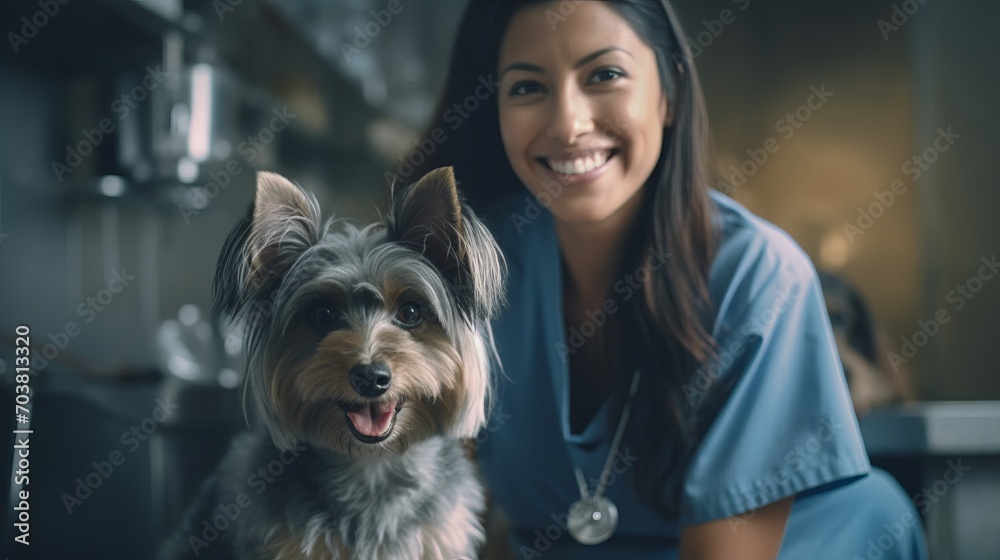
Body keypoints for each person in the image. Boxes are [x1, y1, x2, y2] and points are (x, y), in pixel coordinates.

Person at [405, 1, 928, 558]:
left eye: (604, 75)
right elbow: (443, 508)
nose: (568, 123)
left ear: (670, 93)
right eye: (527, 88)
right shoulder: (465, 266)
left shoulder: (761, 275)